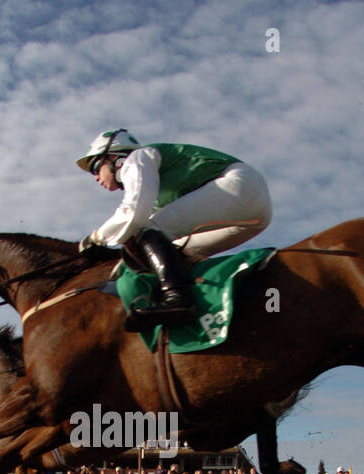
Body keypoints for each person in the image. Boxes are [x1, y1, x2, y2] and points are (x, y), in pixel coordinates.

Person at [75, 129, 272, 331]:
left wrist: (96, 238)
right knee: (171, 249)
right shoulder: (157, 189)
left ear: (114, 157)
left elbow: (133, 214)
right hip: (257, 213)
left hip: (239, 186)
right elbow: (143, 231)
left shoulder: (137, 158)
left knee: (148, 231)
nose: (96, 177)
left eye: (96, 167)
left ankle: (178, 299)